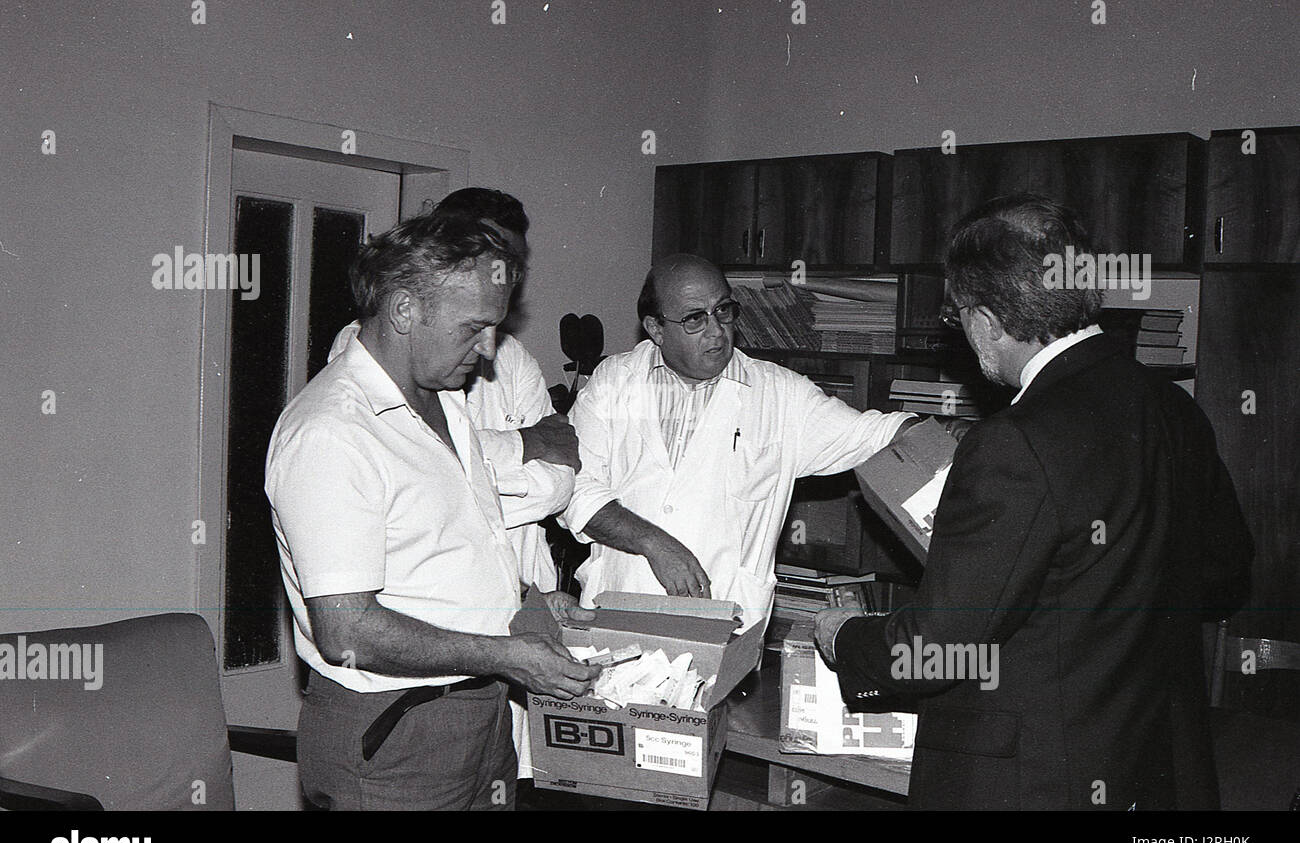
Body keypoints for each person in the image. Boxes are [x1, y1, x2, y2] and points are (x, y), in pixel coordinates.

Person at [815, 194, 1253, 810]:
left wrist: (843, 636)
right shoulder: (1175, 409)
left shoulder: (1012, 443)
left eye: (959, 318)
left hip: (1035, 777)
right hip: (1153, 764)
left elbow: (938, 648)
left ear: (987, 322)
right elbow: (1225, 575)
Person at [265, 212, 597, 810]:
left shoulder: (445, 402)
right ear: (403, 311)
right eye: (474, 327)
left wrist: (526, 600)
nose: (489, 348)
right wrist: (506, 654)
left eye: (494, 327)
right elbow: (347, 631)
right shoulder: (332, 433)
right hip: (396, 732)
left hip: (481, 716)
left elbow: (440, 554)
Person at [327, 188, 568, 783]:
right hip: (410, 706)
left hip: (488, 677)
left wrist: (522, 596)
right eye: (485, 259)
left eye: (510, 264)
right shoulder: (349, 398)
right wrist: (521, 444)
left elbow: (557, 484)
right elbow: (349, 626)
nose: (501, 276)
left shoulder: (464, 392)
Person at [560, 252, 918, 631]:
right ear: (656, 328)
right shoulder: (614, 382)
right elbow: (575, 487)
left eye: (723, 311)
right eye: (695, 318)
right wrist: (653, 542)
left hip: (725, 619)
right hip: (618, 607)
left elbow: (874, 434)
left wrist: (958, 441)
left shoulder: (780, 394)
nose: (716, 331)